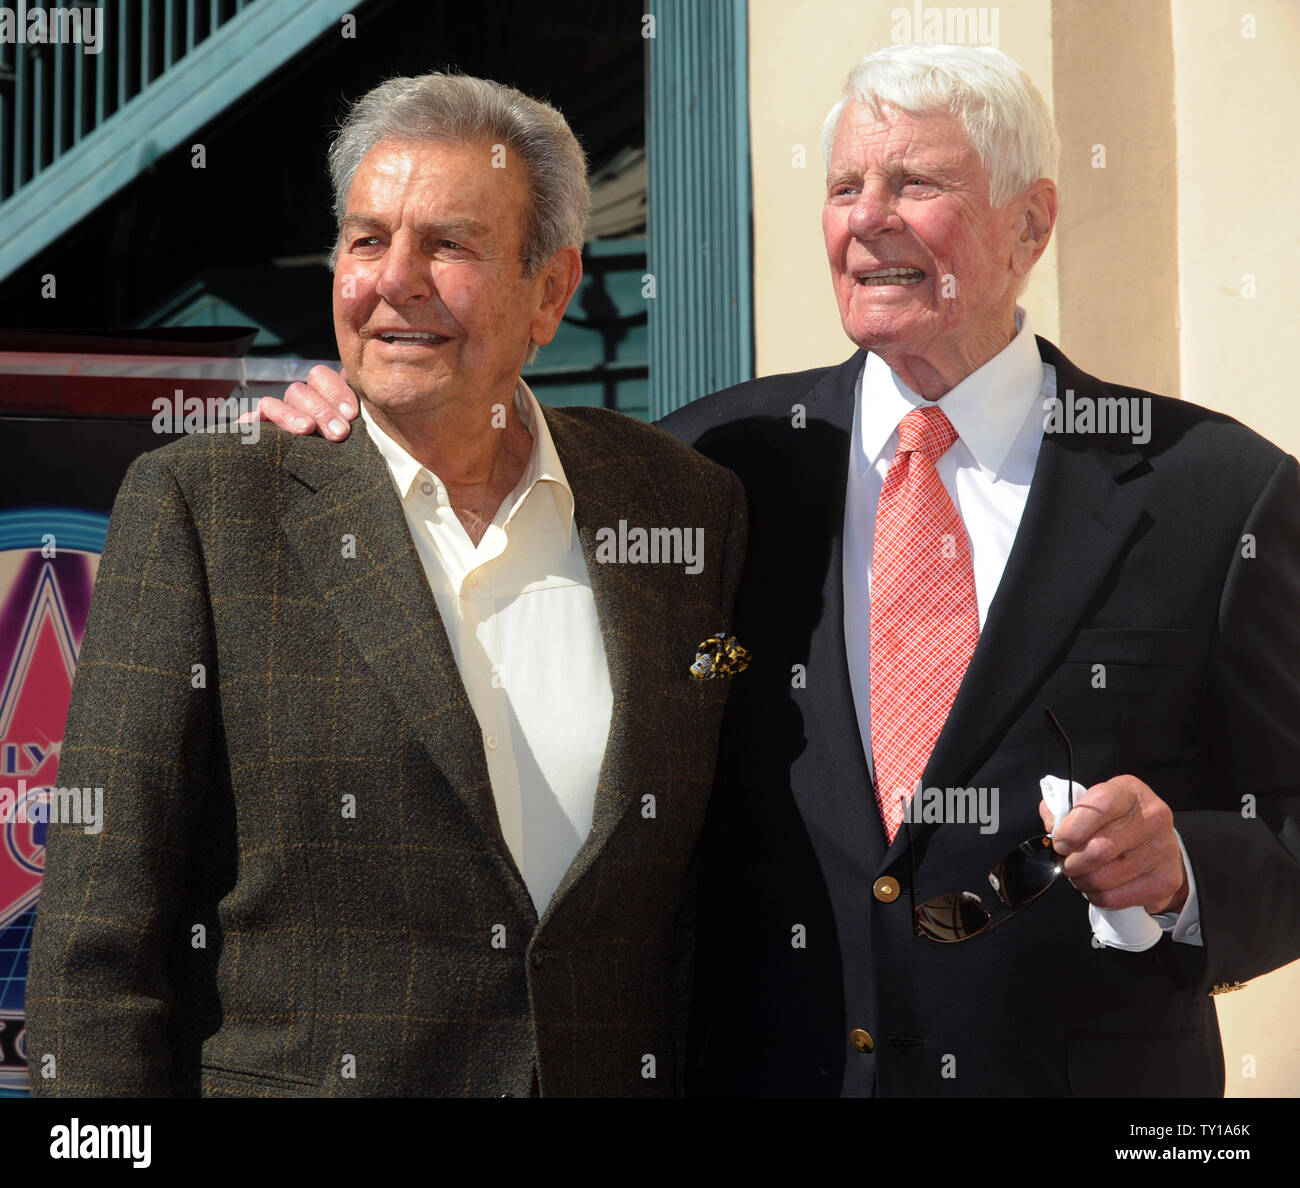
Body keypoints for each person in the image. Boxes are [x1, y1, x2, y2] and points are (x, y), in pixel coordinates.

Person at [259, 45, 1300, 1097]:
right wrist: (358, 426)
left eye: (916, 184)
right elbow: (476, 485)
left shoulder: (1216, 494)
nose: (868, 217)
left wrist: (1181, 875)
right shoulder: (706, 470)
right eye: (846, 185)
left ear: (1030, 224)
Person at [24, 72, 747, 1098]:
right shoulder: (209, 508)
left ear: (552, 289)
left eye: (446, 244)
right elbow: (99, 935)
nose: (392, 280)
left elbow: (708, 901)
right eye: (366, 240)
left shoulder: (680, 505)